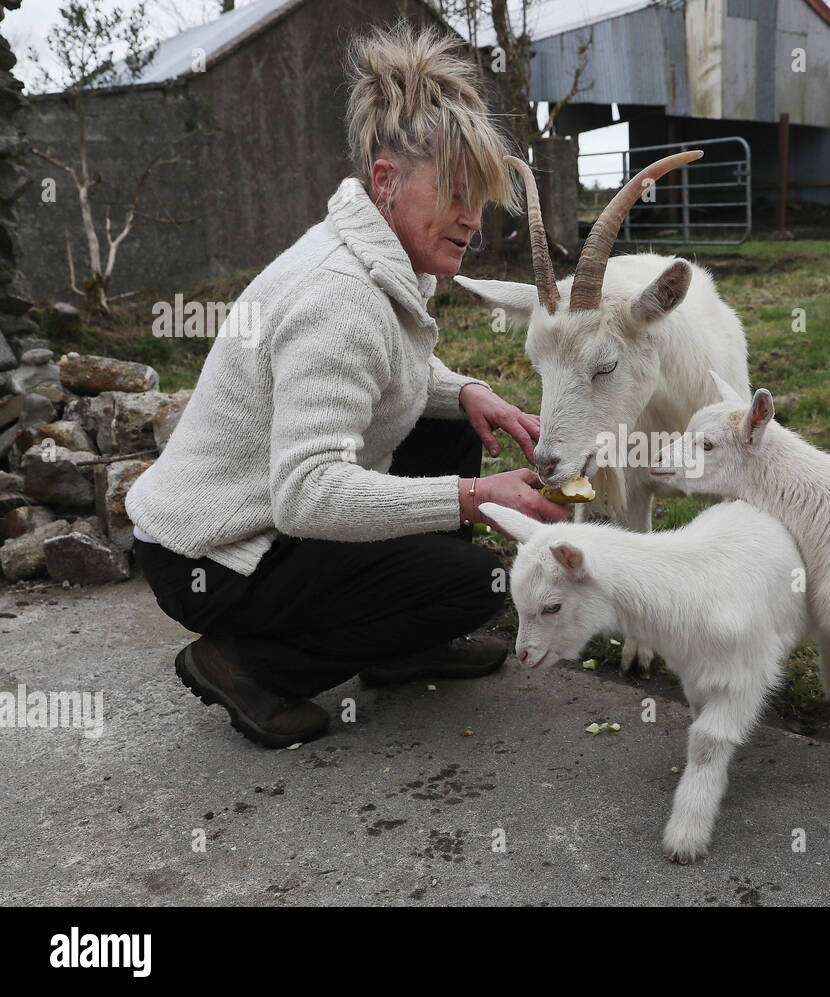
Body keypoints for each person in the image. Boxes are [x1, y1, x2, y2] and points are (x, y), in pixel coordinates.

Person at [125, 23, 567, 749]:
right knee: (473, 581)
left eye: (480, 198)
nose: (470, 218)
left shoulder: (373, 254)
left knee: (453, 424)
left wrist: (467, 393)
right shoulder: (336, 295)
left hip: (248, 524)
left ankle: (400, 644)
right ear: (387, 180)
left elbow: (388, 372)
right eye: (455, 192)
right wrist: (474, 497)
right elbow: (306, 492)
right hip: (212, 554)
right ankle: (247, 663)